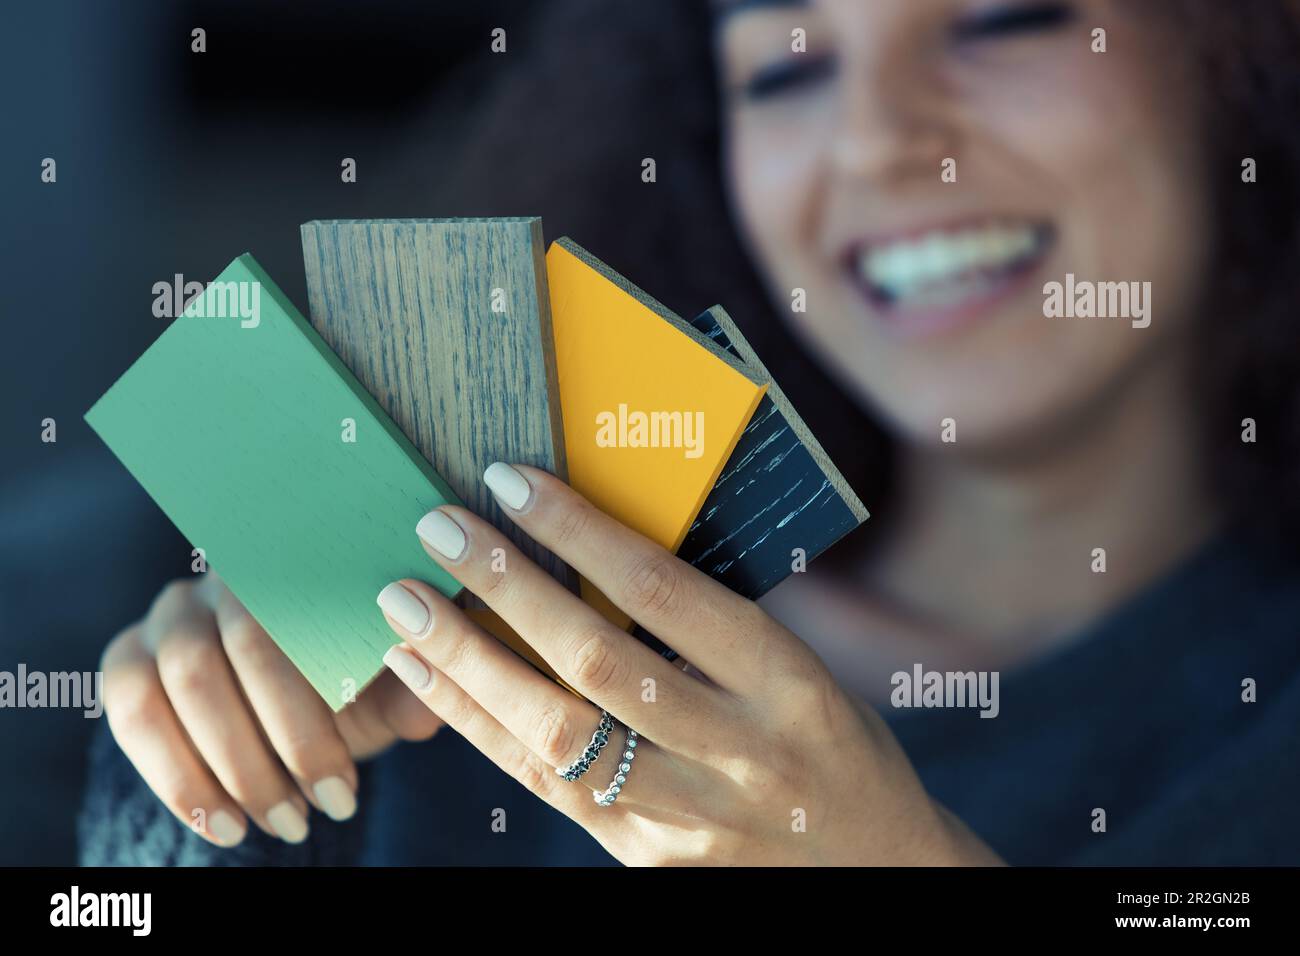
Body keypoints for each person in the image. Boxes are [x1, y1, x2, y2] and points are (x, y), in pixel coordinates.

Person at [80, 0, 1300, 865]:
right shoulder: (436, 659)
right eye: (785, 69)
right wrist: (206, 796)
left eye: (1001, 20)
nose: (876, 139)